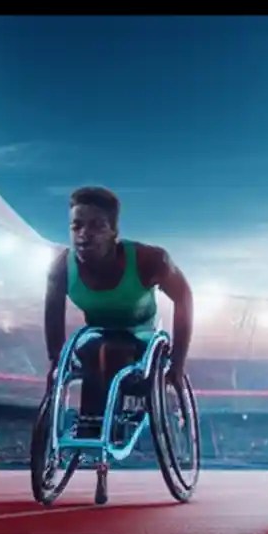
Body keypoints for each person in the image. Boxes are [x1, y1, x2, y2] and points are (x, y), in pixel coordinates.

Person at [43, 186, 193, 440]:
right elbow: (52, 318)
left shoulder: (150, 260)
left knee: (109, 349)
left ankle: (104, 421)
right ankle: (92, 423)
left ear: (114, 231)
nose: (84, 235)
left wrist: (177, 365)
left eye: (96, 226)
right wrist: (56, 364)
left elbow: (184, 299)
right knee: (91, 347)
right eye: (76, 226)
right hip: (98, 335)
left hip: (142, 336)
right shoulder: (62, 268)